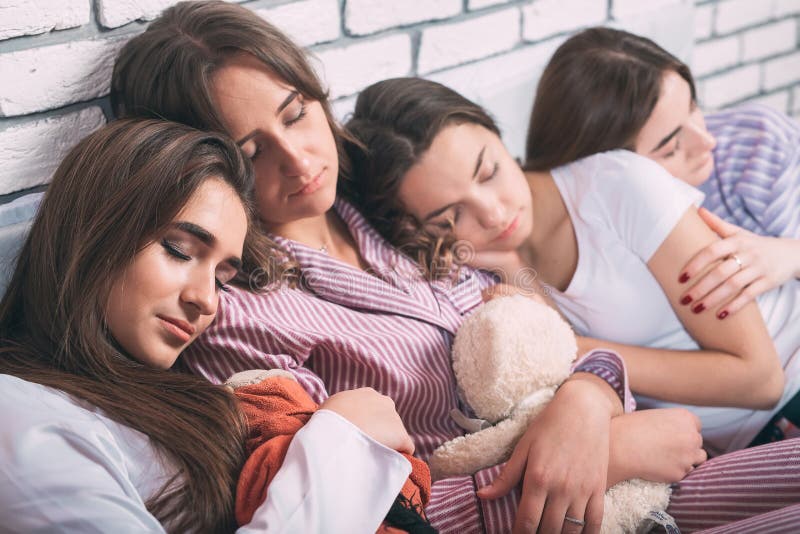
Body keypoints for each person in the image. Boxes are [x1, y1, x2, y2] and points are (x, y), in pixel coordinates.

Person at [110, 2, 670, 532]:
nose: (301, 159)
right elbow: (359, 513)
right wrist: (600, 458)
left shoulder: (384, 206)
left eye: (297, 114)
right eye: (253, 152)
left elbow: (535, 330)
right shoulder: (233, 317)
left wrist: (591, 397)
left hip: (624, 457)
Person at [343, 76, 800, 530]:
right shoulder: (483, 274)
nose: (494, 213)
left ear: (497, 133)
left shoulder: (618, 186)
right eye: (451, 216)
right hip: (721, 450)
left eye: (489, 172)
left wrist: (573, 345)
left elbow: (758, 378)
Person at [0, 119, 418, 533]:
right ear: (92, 230)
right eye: (179, 250)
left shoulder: (168, 400)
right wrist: (343, 444)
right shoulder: (17, 416)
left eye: (222, 278)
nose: (207, 299)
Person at [525, 26, 800, 321]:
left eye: (693, 107)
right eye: (670, 148)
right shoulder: (589, 236)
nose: (707, 142)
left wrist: (787, 255)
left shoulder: (758, 144)